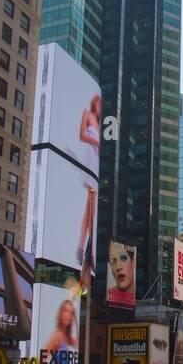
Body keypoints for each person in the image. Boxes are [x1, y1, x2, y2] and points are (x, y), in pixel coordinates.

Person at [77, 95, 103, 278]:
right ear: (94, 102)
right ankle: (90, 255)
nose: (100, 107)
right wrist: (96, 141)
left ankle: (81, 248)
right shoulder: (87, 114)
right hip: (90, 164)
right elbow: (82, 135)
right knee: (92, 209)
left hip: (97, 165)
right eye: (99, 103)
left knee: (90, 208)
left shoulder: (101, 126)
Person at [43, 300, 79, 364]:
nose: (68, 315)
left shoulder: (68, 337)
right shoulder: (56, 336)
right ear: (60, 314)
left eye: (71, 313)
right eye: (66, 311)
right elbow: (42, 360)